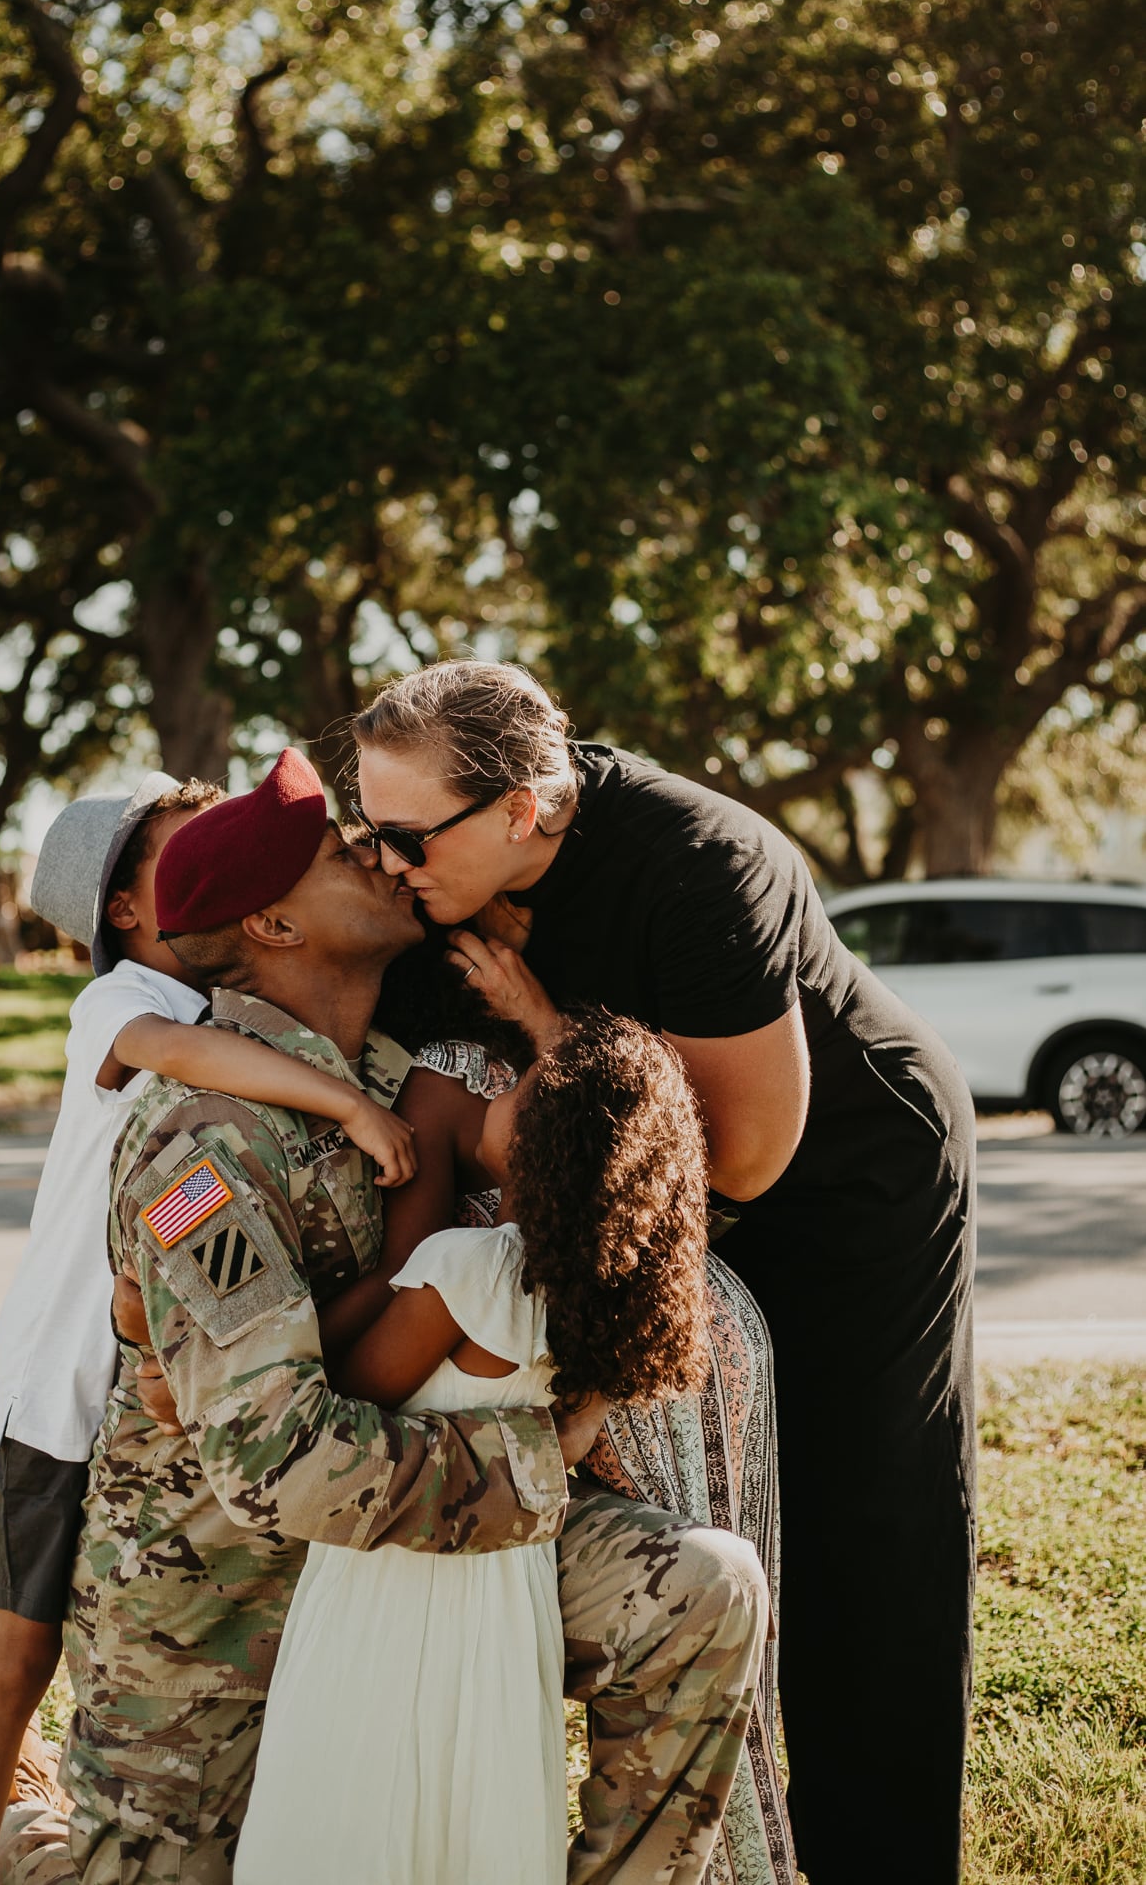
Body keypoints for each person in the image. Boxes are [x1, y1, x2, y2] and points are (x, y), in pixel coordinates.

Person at [0, 747, 770, 1885]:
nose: (371, 845)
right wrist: (536, 1465)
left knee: (702, 1589)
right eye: (332, 847)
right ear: (274, 927)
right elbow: (278, 1466)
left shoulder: (414, 1071)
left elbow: (616, 1191)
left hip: (417, 1552)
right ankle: (37, 1829)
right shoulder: (198, 1143)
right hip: (222, 1613)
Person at [351, 659, 978, 1885]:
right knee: (713, 1519)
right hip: (646, 1200)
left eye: (407, 837)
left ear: (524, 805)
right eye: (365, 832)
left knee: (868, 1521)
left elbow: (741, 1154)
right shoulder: (444, 891)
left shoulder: (699, 863)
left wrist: (549, 1028)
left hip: (843, 1182)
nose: (385, 863)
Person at [0, 771, 418, 1885]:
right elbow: (180, 1056)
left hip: (143, 1367)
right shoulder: (121, 1003)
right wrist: (346, 1103)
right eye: (184, 841)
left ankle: (71, 1802)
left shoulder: (226, 1000)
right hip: (60, 1378)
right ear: (121, 911)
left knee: (91, 1641)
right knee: (18, 1649)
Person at [235, 1009, 719, 1885]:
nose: (499, 1088)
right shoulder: (593, 1294)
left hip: (395, 1575)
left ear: (543, 1138)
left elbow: (346, 1393)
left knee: (357, 1790)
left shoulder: (470, 1269)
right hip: (504, 1590)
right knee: (468, 1798)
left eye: (522, 1086)